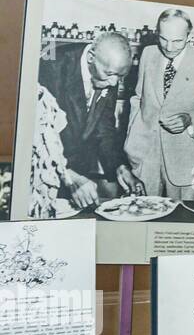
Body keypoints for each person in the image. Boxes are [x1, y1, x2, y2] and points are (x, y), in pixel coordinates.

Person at [125, 8, 194, 201]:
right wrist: (132, 140)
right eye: (163, 39)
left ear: (189, 35)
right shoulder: (148, 54)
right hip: (146, 156)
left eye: (177, 41)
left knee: (188, 217)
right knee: (142, 215)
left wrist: (191, 120)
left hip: (189, 159)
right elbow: (138, 98)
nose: (169, 47)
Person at [35, 30, 143, 210]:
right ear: (91, 57)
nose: (114, 83)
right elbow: (35, 136)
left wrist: (120, 167)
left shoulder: (109, 74)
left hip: (81, 171)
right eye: (110, 74)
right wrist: (68, 176)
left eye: (120, 76)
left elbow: (104, 128)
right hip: (47, 173)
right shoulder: (52, 66)